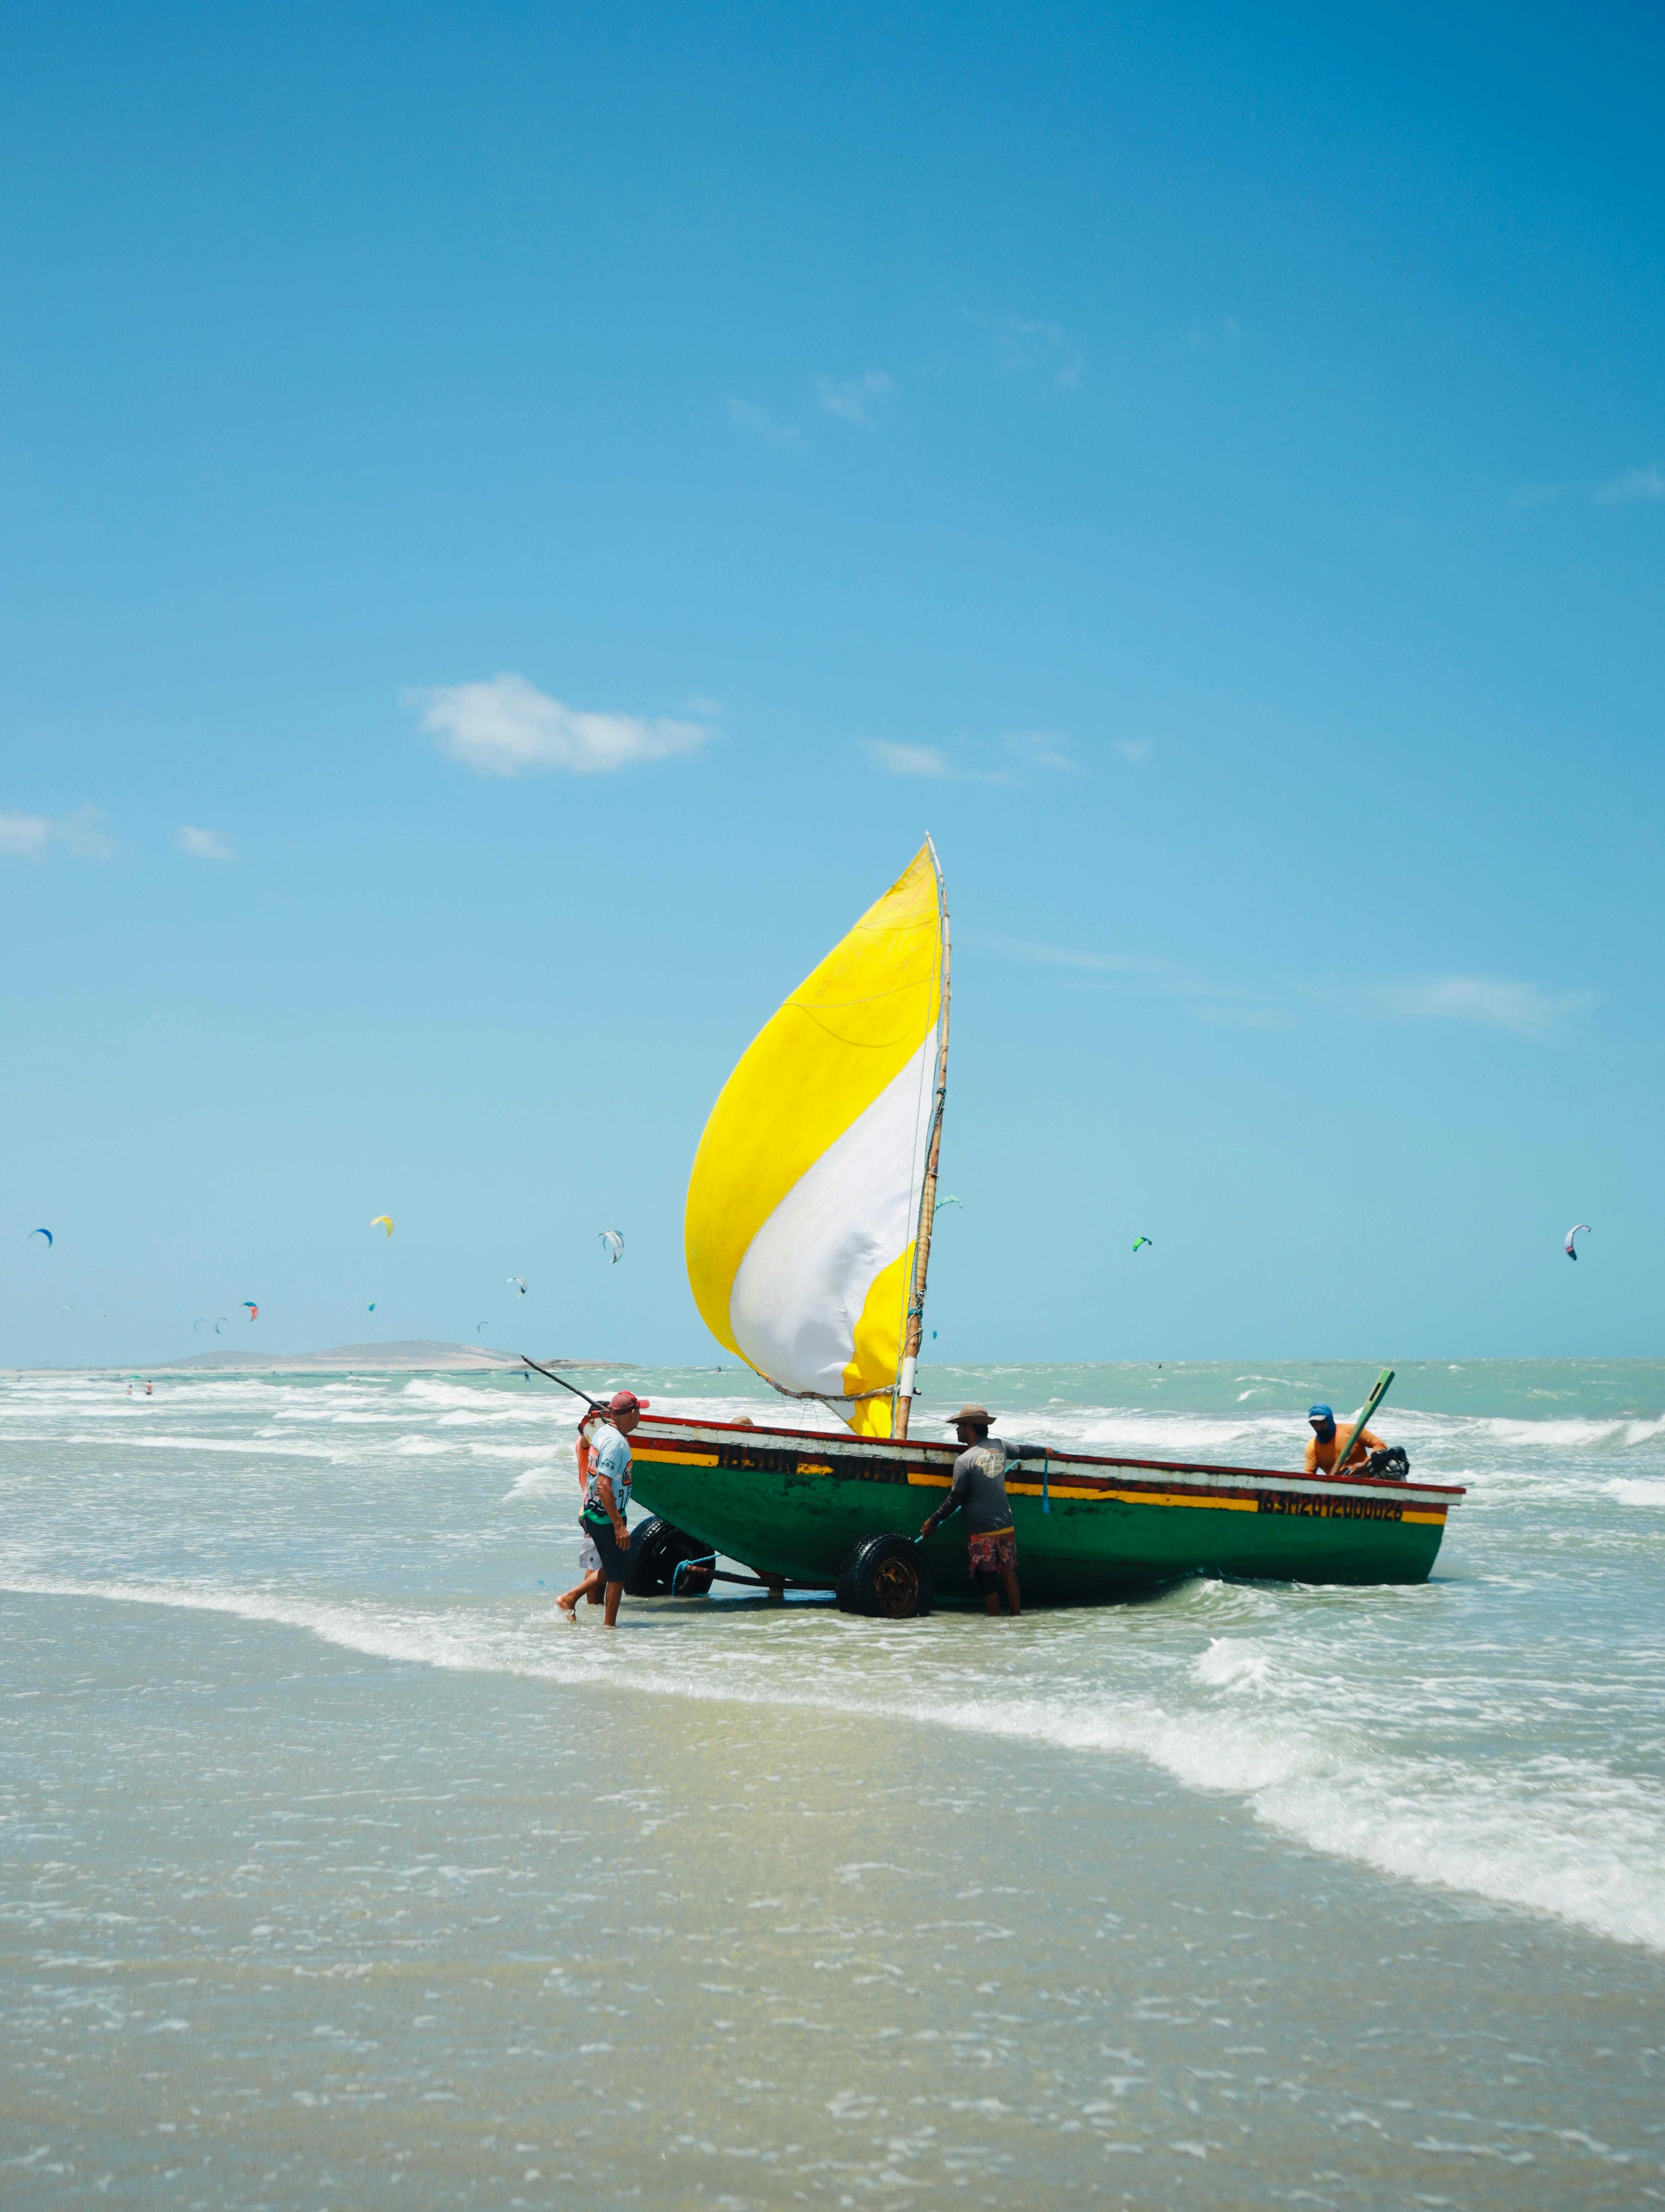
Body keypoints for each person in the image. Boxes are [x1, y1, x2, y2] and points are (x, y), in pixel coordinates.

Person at [919, 1403, 1030, 1617]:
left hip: (982, 1531)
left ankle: (995, 1620)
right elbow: (1025, 1451)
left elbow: (955, 1499)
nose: (957, 1430)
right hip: (1006, 1525)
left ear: (970, 1427)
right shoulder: (1000, 1446)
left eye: (960, 1426)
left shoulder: (964, 1460)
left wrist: (932, 1522)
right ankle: (1016, 1617)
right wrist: (1045, 1452)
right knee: (1009, 1571)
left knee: (987, 1577)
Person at [579, 1389, 649, 1629]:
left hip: (600, 1512)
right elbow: (603, 1484)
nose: (641, 1416)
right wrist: (619, 1525)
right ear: (631, 1414)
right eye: (639, 1411)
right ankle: (609, 1628)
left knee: (614, 1568)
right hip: (605, 1517)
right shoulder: (616, 1444)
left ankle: (571, 1600)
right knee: (617, 1574)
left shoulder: (605, 1432)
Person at [554, 1413, 607, 1618]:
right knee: (599, 1564)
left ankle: (596, 1606)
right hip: (593, 1509)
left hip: (595, 1508)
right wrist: (593, 1424)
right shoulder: (586, 1442)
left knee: (600, 1562)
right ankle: (589, 1604)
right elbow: (585, 1439)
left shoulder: (601, 1443)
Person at [1305, 1401, 1384, 1475]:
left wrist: (1366, 1464)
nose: (1319, 1427)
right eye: (1315, 1424)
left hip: (1365, 1482)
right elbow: (1309, 1474)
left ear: (1330, 1420)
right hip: (1338, 1487)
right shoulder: (1313, 1447)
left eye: (1322, 1423)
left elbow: (1380, 1445)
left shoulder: (1352, 1431)